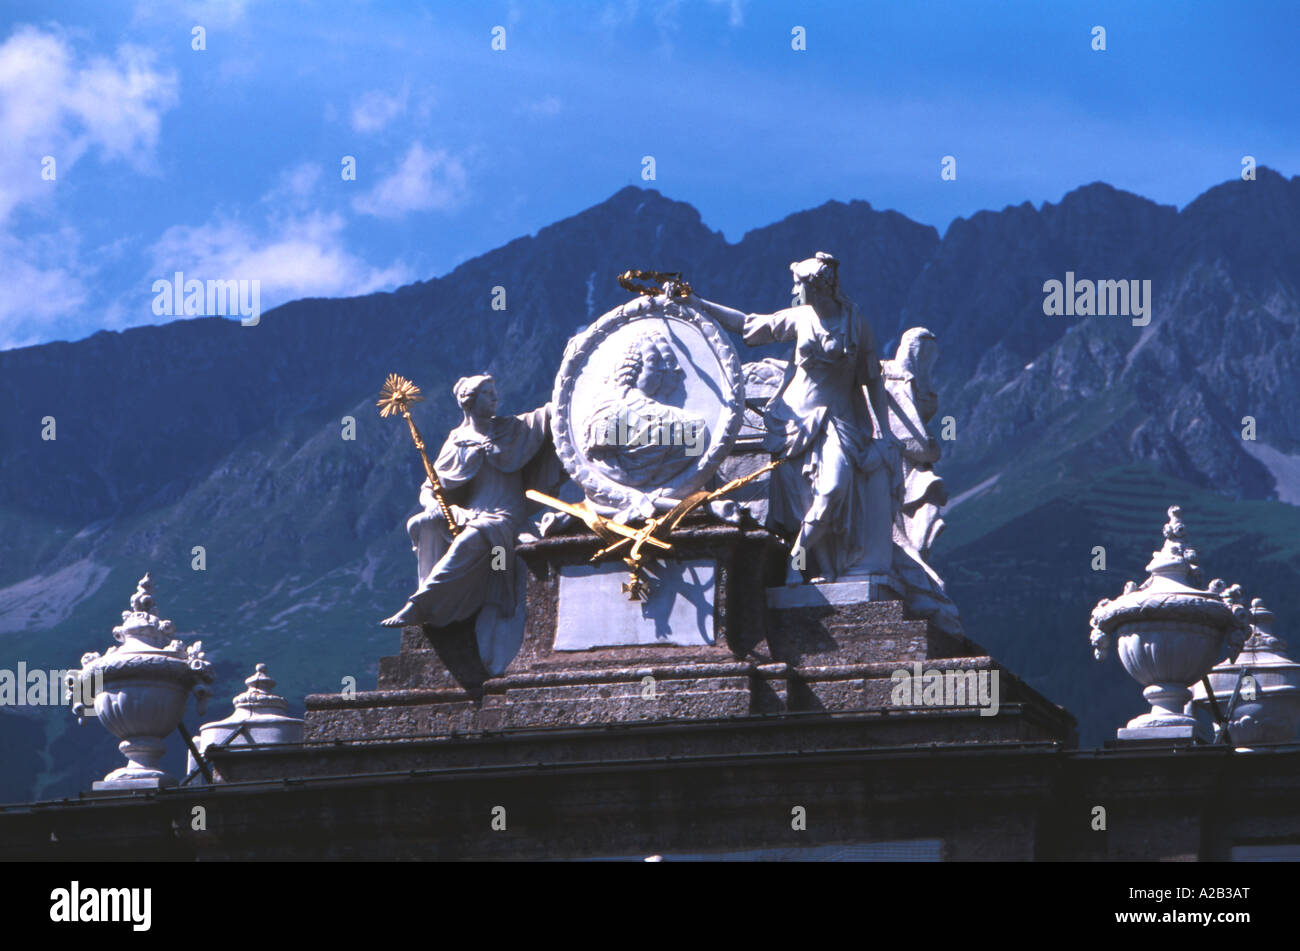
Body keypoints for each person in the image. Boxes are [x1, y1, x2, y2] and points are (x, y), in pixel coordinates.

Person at [690, 252, 898, 582]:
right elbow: (748, 325)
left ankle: (795, 559)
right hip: (793, 423)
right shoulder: (800, 318)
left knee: (832, 490)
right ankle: (815, 568)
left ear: (817, 287)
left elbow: (872, 379)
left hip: (837, 424)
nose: (793, 291)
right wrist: (698, 302)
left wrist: (884, 432)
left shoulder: (854, 323)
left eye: (798, 285)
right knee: (807, 501)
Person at [380, 375, 555, 636]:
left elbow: (550, 413)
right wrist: (436, 507)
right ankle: (427, 587)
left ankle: (423, 603)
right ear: (469, 401)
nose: (495, 398)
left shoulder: (512, 429)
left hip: (504, 514)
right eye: (487, 393)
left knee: (469, 539)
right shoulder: (457, 441)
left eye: (494, 392)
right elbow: (430, 488)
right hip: (471, 512)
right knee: (421, 523)